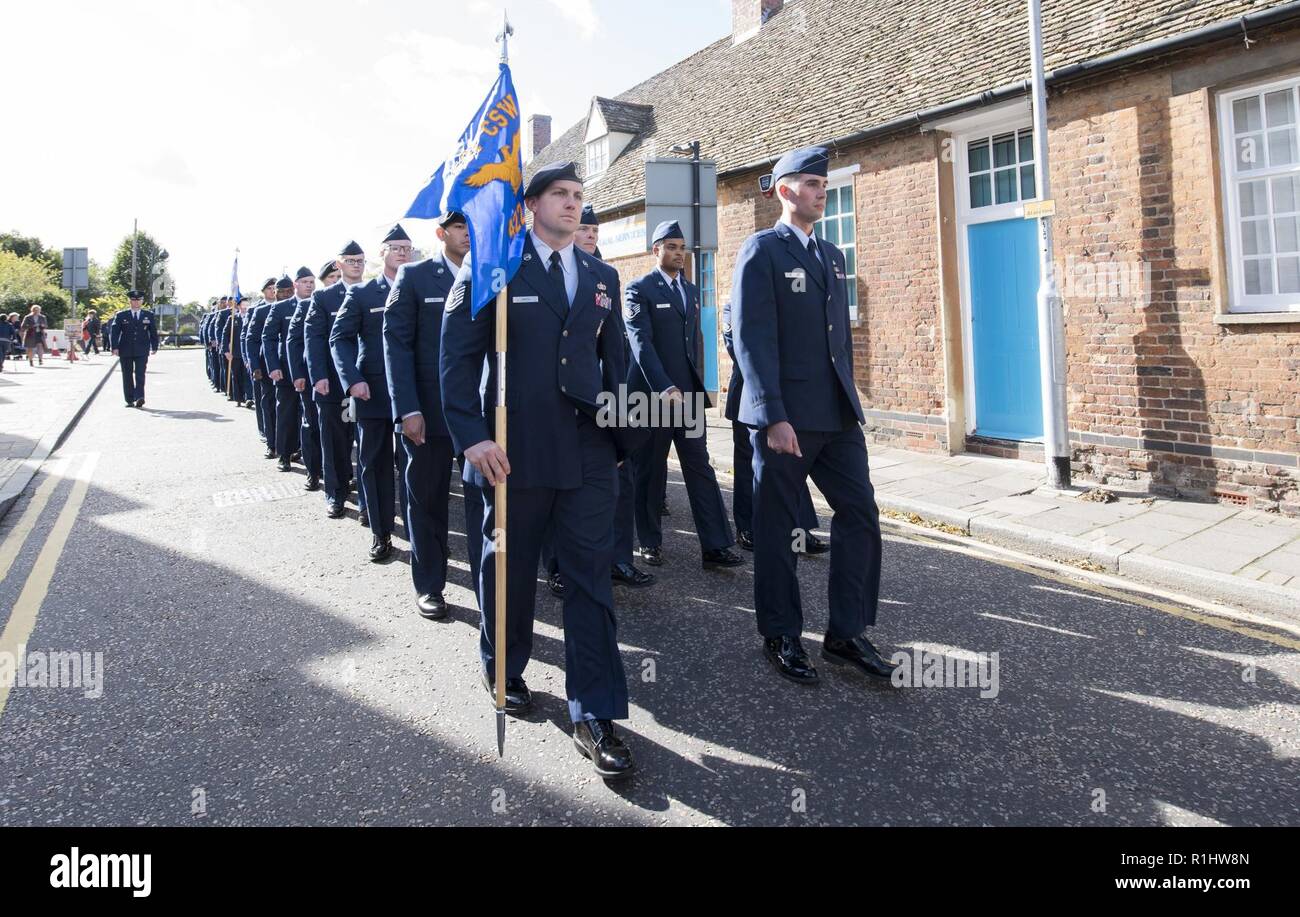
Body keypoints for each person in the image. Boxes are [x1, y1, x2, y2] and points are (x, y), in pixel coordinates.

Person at [440, 161, 638, 780]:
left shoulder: (603, 275)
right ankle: (504, 665)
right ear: (529, 206)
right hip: (512, 446)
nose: (574, 204)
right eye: (561, 194)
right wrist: (471, 437)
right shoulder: (493, 266)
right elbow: (455, 356)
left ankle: (595, 712)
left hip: (586, 451)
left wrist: (621, 434)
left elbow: (619, 364)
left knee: (588, 579)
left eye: (579, 195)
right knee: (510, 569)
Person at [731, 146, 895, 686]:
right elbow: (753, 342)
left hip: (836, 415)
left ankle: (847, 633)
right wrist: (771, 415)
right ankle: (780, 632)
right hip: (786, 420)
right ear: (784, 191)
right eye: (810, 183)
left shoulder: (832, 255)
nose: (822, 191)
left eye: (824, 184)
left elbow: (838, 342)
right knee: (777, 527)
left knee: (861, 514)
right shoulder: (762, 251)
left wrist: (851, 397)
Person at [626, 220, 743, 571]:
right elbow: (642, 345)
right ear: (655, 250)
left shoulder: (691, 292)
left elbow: (693, 344)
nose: (679, 253)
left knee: (700, 468)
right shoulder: (639, 289)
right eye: (671, 246)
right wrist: (665, 387)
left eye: (682, 247)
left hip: (688, 397)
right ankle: (649, 541)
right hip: (652, 396)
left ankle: (716, 545)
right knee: (650, 471)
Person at [384, 211, 469, 620]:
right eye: (459, 228)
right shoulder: (415, 277)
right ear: (442, 233)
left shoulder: (492, 274)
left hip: (477, 414)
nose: (468, 235)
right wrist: (407, 410)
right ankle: (430, 584)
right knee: (427, 500)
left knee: (483, 504)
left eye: (473, 227)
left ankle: (491, 586)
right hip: (428, 415)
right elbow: (396, 344)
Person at [722, 298, 827, 555]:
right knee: (748, 467)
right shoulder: (733, 305)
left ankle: (799, 533)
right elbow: (739, 348)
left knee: (794, 462)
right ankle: (746, 528)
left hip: (784, 397)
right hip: (748, 397)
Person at [331, 225, 411, 563]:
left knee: (414, 465)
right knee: (374, 463)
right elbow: (340, 338)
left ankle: (418, 529)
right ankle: (380, 532)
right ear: (382, 254)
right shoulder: (363, 294)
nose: (402, 253)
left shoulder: (418, 286)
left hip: (412, 392)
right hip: (372, 391)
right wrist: (352, 379)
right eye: (395, 247)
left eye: (407, 247)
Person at [306, 243, 363, 519]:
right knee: (335, 442)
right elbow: (314, 339)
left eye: (360, 260)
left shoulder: (374, 291)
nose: (356, 264)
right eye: (350, 260)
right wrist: (318, 376)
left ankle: (367, 497)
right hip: (333, 382)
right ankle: (336, 494)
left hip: (366, 381)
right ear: (339, 265)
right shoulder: (324, 298)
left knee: (365, 443)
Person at [263, 272, 308, 471]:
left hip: (310, 367)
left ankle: (306, 452)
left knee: (310, 416)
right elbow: (269, 338)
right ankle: (284, 453)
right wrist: (272, 366)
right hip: (285, 368)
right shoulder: (280, 308)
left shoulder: (317, 302)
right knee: (287, 413)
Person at [245, 279, 278, 454]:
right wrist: (252, 362)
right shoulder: (257, 311)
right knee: (266, 401)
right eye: (270, 288)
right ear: (264, 291)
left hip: (285, 364)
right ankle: (269, 437)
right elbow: (249, 338)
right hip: (263, 363)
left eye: (276, 288)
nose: (273, 291)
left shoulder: (291, 305)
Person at [109, 290, 159, 407]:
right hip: (125, 349)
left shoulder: (148, 315)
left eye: (138, 300)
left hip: (142, 349)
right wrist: (114, 347)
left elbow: (153, 332)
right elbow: (115, 332)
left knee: (140, 373)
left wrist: (154, 346)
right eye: (133, 300)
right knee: (127, 374)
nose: (136, 302)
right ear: (130, 301)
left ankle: (140, 396)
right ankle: (130, 399)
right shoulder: (121, 315)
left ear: (142, 301)